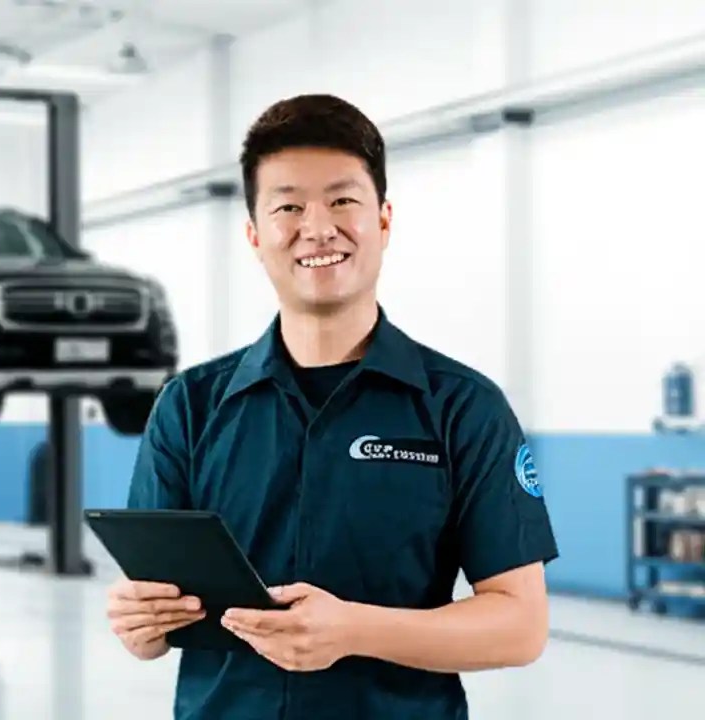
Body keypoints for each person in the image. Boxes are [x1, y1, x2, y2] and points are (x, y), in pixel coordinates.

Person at [106, 94, 558, 719]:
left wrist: (354, 630)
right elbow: (153, 620)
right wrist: (140, 624)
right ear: (255, 235)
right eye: (288, 206)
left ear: (384, 220)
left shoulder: (462, 407)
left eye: (343, 200)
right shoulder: (191, 407)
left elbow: (519, 624)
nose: (317, 228)